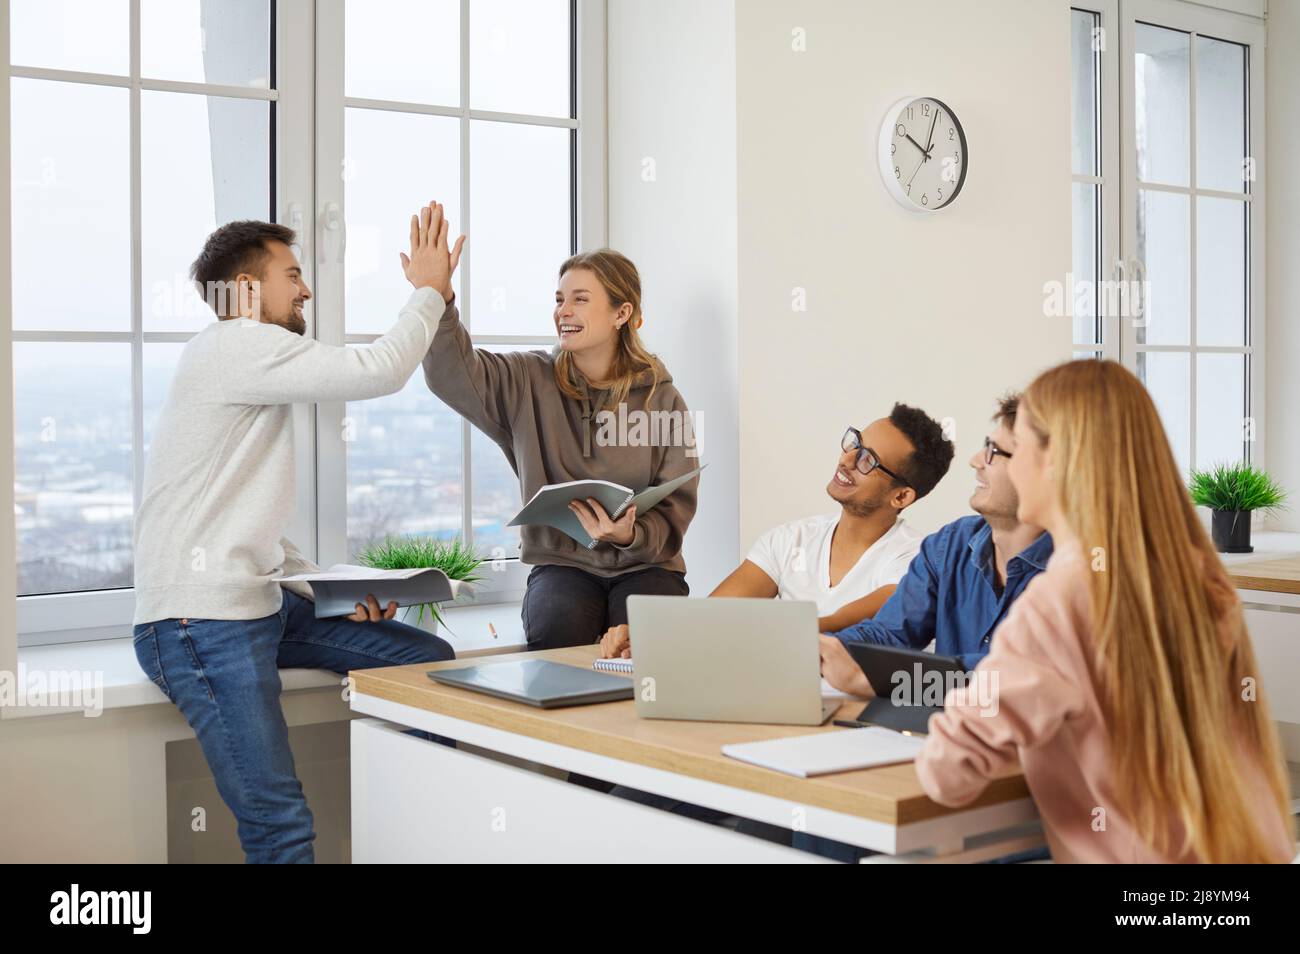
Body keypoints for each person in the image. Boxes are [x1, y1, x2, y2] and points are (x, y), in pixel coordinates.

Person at [132, 203, 464, 863]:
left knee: (425, 664)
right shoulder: (235, 343)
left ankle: (413, 826)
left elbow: (249, 533)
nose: (305, 289)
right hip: (200, 624)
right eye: (293, 274)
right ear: (249, 291)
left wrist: (332, 593)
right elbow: (378, 371)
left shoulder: (241, 363)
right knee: (279, 827)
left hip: (257, 607)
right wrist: (430, 290)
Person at [916, 359, 1295, 863]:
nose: (1002, 461)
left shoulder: (1060, 602)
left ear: (1057, 460)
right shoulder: (1195, 579)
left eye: (1018, 447)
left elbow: (949, 772)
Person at [423, 248, 699, 650]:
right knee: (558, 629)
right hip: (563, 566)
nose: (563, 311)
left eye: (579, 299)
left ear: (621, 314)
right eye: (559, 299)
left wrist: (629, 535)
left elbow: (677, 505)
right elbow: (453, 375)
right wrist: (439, 298)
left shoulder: (663, 397)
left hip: (648, 564)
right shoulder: (527, 380)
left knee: (645, 645)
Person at [598, 404, 953, 659]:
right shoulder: (789, 540)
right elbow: (712, 617)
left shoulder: (917, 562)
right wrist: (649, 638)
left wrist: (766, 634)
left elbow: (838, 625)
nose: (846, 460)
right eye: (854, 443)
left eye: (867, 461)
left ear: (902, 496)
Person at [818, 393, 1053, 694]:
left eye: (994, 451)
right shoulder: (949, 545)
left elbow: (1012, 680)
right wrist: (826, 648)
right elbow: (890, 634)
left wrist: (873, 682)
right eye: (985, 446)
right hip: (943, 731)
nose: (976, 460)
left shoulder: (1075, 573)